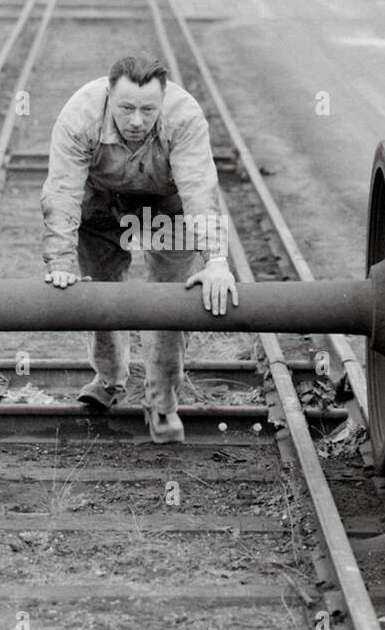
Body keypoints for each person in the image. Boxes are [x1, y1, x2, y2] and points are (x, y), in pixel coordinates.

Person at [41, 56, 238, 443]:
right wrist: (60, 261)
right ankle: (110, 380)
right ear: (109, 97)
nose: (136, 120)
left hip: (167, 204)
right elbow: (62, 191)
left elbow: (199, 188)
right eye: (126, 108)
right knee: (99, 290)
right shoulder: (80, 115)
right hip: (101, 202)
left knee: (169, 297)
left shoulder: (184, 117)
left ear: (162, 102)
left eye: (147, 110)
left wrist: (216, 260)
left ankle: (161, 403)